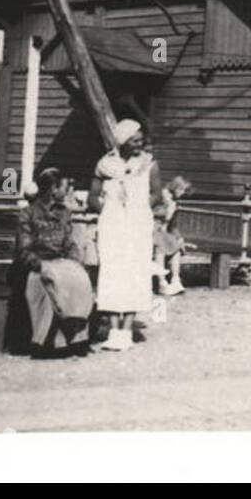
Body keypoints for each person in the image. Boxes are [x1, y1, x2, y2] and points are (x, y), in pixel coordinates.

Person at [90, 119, 160, 350]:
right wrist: (110, 213)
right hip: (112, 227)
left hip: (137, 227)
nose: (140, 144)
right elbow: (93, 197)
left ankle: (127, 330)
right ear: (123, 142)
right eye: (135, 140)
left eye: (141, 140)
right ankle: (113, 329)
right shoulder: (105, 165)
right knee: (112, 271)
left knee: (135, 272)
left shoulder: (148, 164)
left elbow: (157, 194)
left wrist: (138, 212)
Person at [15, 168, 95, 358]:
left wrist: (75, 262)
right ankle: (45, 342)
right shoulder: (28, 213)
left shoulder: (64, 213)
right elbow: (24, 249)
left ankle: (77, 338)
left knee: (79, 278)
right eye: (64, 187)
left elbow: (69, 242)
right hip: (36, 263)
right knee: (47, 281)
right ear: (53, 188)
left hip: (61, 263)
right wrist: (41, 265)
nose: (66, 192)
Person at [153, 175, 193, 296]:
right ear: (175, 187)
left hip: (164, 232)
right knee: (160, 246)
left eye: (184, 191)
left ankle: (175, 280)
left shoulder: (174, 203)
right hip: (151, 229)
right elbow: (149, 212)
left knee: (177, 246)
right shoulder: (160, 196)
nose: (183, 193)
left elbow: (173, 226)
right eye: (181, 190)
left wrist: (180, 238)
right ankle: (162, 282)